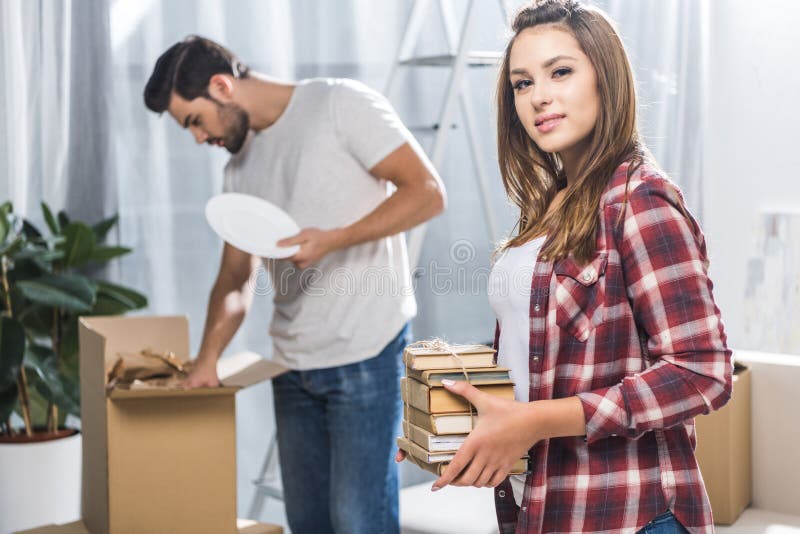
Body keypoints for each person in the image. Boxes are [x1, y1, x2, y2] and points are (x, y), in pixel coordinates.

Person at [397, 1, 732, 532]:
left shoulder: (640, 203)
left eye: (560, 72)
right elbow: (540, 352)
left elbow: (702, 372)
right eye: (522, 83)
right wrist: (447, 418)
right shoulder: (550, 205)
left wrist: (535, 421)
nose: (539, 97)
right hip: (539, 503)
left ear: (606, 78)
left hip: (626, 511)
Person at [143, 36, 446, 534]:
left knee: (358, 523)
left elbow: (428, 193)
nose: (198, 138)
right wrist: (206, 361)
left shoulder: (339, 104)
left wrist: (335, 240)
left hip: (364, 355)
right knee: (307, 524)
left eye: (194, 121)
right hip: (291, 367)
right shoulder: (239, 170)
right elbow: (235, 279)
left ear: (222, 86)